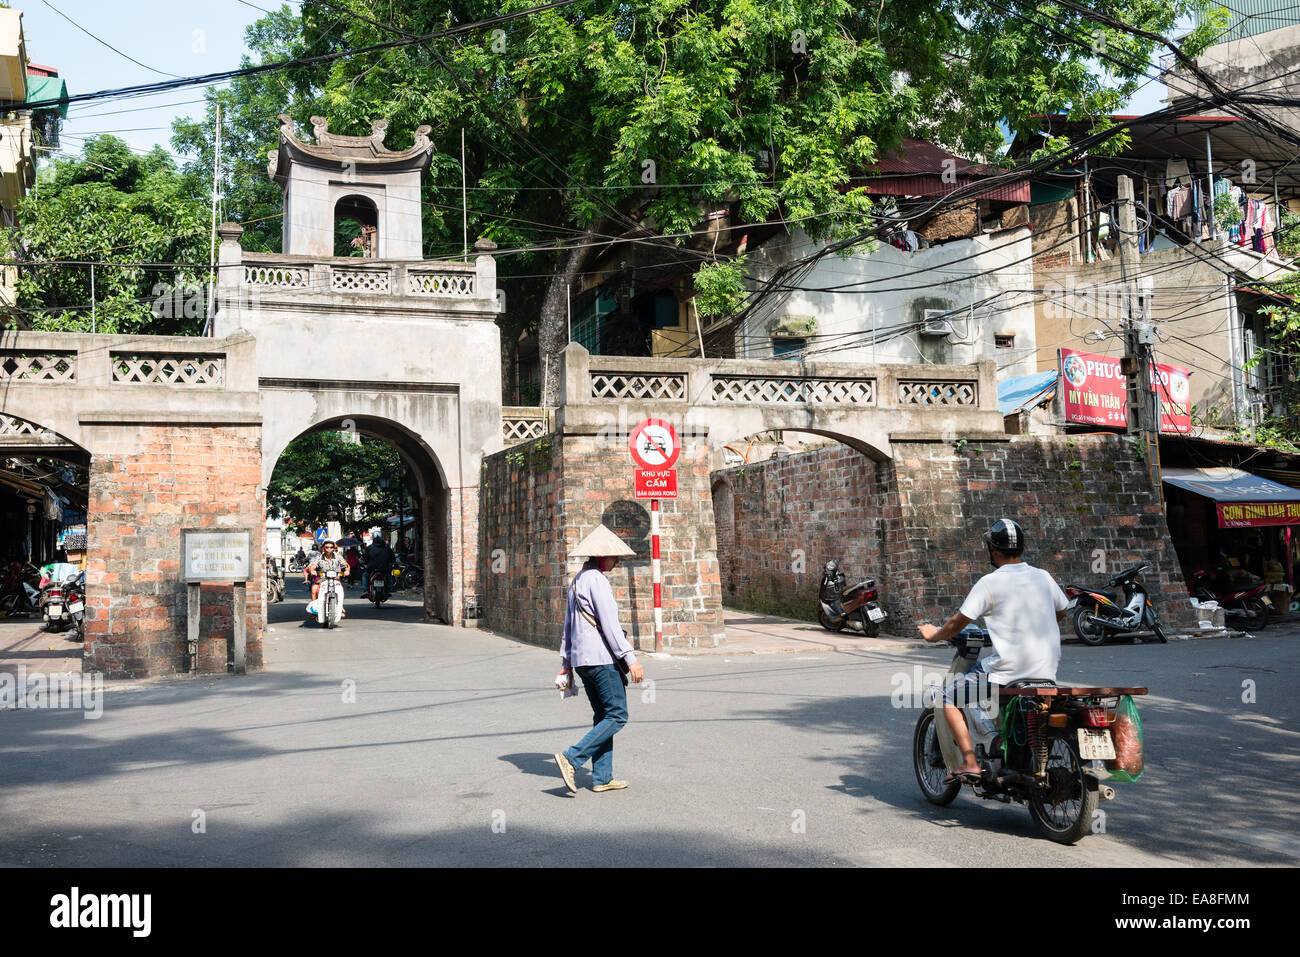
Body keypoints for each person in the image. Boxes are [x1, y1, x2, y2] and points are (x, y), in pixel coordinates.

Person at [916, 519, 1071, 784]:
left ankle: (969, 762)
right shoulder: (1043, 577)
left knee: (947, 696)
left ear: (993, 550)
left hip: (1007, 673)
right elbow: (1062, 610)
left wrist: (933, 635)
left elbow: (956, 623)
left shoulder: (990, 583)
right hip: (1046, 671)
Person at [553, 525, 645, 795]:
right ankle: (571, 757)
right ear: (603, 557)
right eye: (615, 558)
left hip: (582, 662)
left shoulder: (577, 581)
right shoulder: (597, 581)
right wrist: (630, 659)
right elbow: (610, 625)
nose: (616, 563)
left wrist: (566, 663)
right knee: (618, 714)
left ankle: (602, 777)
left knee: (603, 715)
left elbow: (568, 627)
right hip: (601, 659)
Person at [306, 541, 349, 619]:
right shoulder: (319, 557)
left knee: (340, 590)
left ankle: (340, 607)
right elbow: (312, 566)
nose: (329, 549)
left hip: (335, 578)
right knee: (314, 589)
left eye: (331, 547)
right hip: (323, 578)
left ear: (334, 548)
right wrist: (312, 570)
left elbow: (346, 564)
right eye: (327, 547)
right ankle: (314, 610)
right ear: (323, 548)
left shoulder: (338, 556)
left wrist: (347, 570)